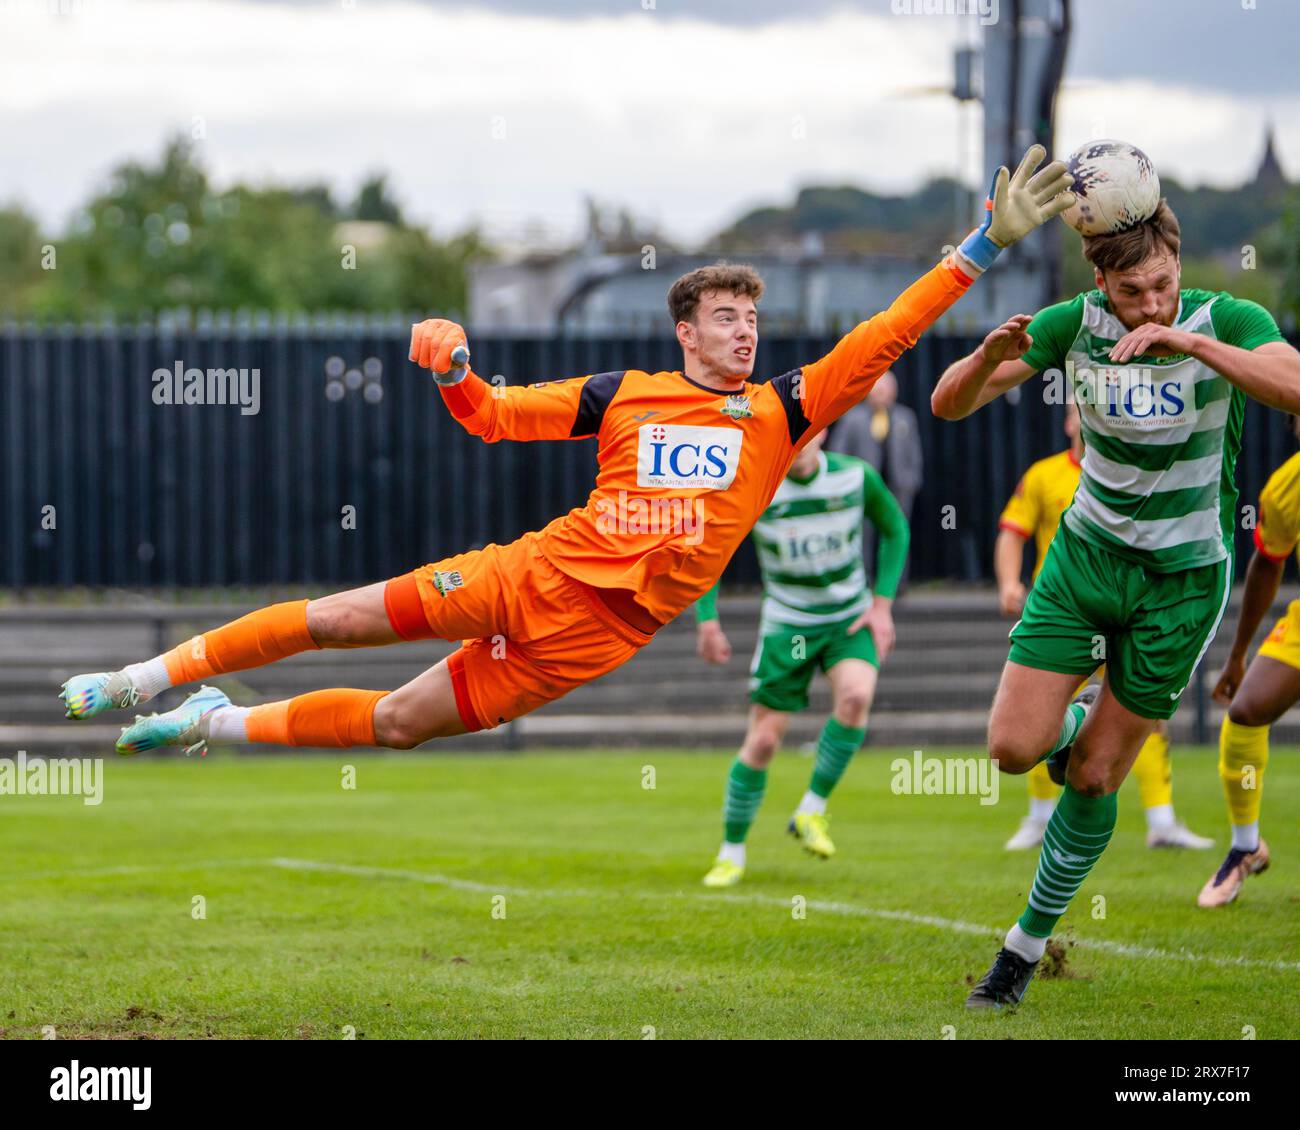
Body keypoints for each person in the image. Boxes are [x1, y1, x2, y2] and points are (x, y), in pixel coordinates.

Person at [60, 149, 1074, 767]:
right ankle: (140, 673)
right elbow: (490, 415)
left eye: (751, 319)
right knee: (337, 618)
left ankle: (213, 724)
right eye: (725, 318)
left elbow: (890, 330)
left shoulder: (781, 411)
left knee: (403, 722)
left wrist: (979, 248)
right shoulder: (623, 393)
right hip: (533, 573)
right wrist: (452, 361)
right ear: (685, 328)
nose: (744, 334)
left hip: (597, 637)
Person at [932, 196, 1300, 1010]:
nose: (1152, 305)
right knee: (1012, 750)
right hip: (1087, 559)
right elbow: (948, 406)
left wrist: (1189, 340)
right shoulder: (1073, 322)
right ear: (1100, 281)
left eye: (1163, 286)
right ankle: (1078, 708)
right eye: (1133, 294)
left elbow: (1294, 384)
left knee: (1096, 776)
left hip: (1182, 581)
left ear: (1176, 266)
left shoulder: (1224, 314)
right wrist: (985, 358)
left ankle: (1018, 957)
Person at [694, 427, 907, 886]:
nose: (795, 444)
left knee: (854, 698)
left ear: (824, 431)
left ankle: (812, 811)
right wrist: (707, 620)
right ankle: (731, 852)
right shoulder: (755, 488)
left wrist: (882, 603)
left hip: (847, 620)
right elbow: (711, 551)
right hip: (788, 624)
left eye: (804, 434)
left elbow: (895, 528)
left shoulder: (856, 478)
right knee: (765, 741)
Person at [996, 405, 1211, 852]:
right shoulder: (1043, 475)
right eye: (1077, 411)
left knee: (1146, 719)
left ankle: (1162, 821)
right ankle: (1038, 818)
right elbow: (1013, 531)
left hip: (1131, 613)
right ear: (1070, 422)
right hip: (1066, 614)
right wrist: (1008, 584)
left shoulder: (1135, 473)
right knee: (1038, 710)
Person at [1201, 425, 1300, 906]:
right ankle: (1245, 846)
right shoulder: (1287, 486)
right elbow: (1268, 561)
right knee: (1246, 710)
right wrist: (1238, 655)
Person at [829, 371, 922, 586]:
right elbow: (838, 451)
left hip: (898, 487)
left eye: (886, 389)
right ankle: (862, 580)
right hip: (863, 488)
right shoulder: (852, 418)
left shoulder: (905, 417)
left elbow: (914, 453)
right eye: (877, 389)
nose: (881, 394)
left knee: (897, 531)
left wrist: (911, 480)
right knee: (862, 534)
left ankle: (896, 581)